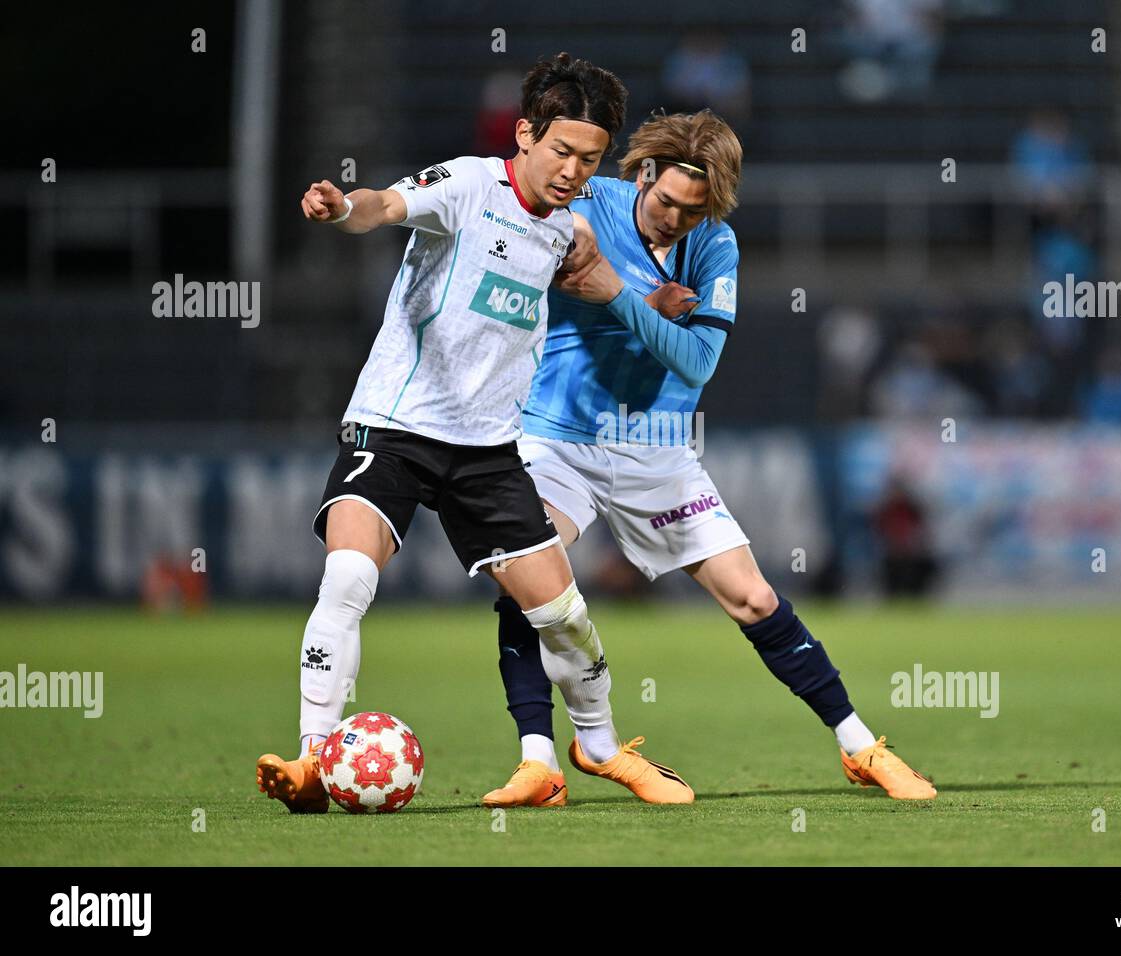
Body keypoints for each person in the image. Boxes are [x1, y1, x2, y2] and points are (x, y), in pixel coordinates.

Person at [254, 53, 695, 813]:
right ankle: (310, 762)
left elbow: (592, 282)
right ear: (524, 134)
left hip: (490, 450)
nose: (571, 172)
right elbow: (384, 207)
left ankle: (597, 747)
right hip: (394, 428)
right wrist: (340, 209)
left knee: (564, 619)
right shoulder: (465, 185)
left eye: (589, 160)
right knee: (349, 577)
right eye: (561, 151)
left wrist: (653, 304)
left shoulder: (569, 232)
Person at [481, 110, 937, 808]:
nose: (674, 220)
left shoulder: (715, 246)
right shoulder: (586, 201)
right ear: (640, 176)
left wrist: (616, 295)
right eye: (665, 202)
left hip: (659, 447)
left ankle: (859, 746)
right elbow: (516, 259)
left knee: (753, 598)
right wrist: (642, 304)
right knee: (529, 573)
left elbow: (694, 365)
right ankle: (539, 761)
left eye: (692, 212)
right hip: (557, 434)